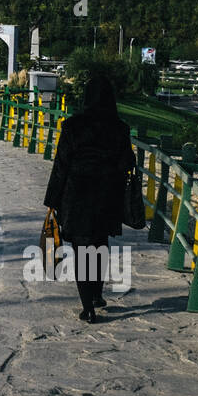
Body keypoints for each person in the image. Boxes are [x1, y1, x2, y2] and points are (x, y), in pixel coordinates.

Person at [42, 75, 135, 324]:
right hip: (107, 197)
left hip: (76, 197)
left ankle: (88, 307)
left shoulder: (73, 126)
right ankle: (96, 295)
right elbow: (128, 163)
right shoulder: (120, 128)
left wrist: (52, 200)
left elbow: (61, 166)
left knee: (82, 250)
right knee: (100, 245)